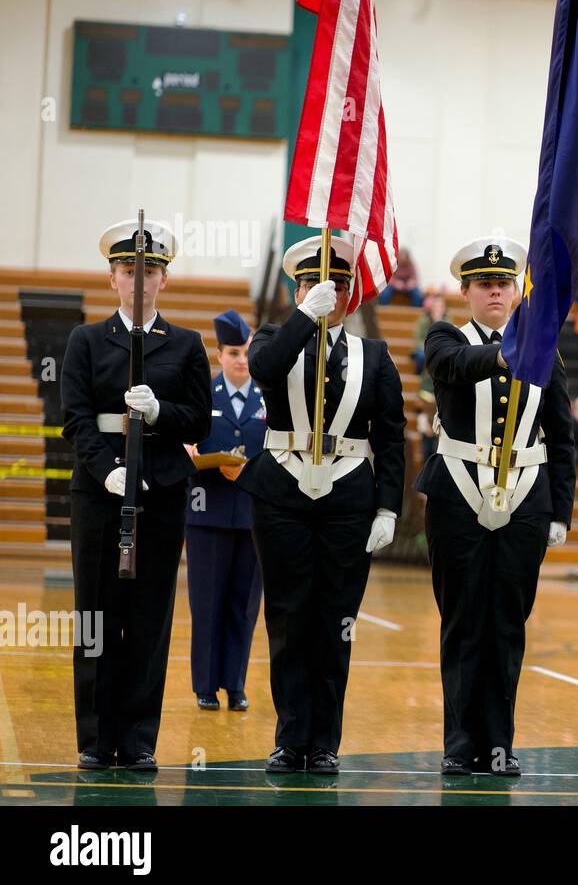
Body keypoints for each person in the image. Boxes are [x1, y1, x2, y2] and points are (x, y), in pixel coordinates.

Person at [238, 237, 407, 775]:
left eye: (333, 284)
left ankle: (325, 741)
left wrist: (387, 509)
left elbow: (392, 436)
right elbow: (264, 368)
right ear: (297, 289)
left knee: (337, 622)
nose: (323, 291)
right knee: (287, 619)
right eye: (311, 283)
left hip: (348, 498)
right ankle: (290, 739)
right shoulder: (272, 337)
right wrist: (300, 321)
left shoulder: (372, 355)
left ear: (349, 293)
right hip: (282, 496)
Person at [416, 236, 576, 777]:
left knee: (509, 624)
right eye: (484, 284)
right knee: (462, 622)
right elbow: (452, 367)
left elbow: (561, 435)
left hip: (525, 500)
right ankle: (460, 743)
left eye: (504, 284)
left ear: (516, 291)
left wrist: (562, 512)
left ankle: (499, 743)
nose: (494, 292)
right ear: (465, 291)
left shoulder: (544, 347)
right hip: (458, 495)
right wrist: (513, 349)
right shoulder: (444, 336)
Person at [60, 219, 211, 771]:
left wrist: (159, 413)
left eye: (151, 271)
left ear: (164, 279)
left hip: (163, 492)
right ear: (112, 278)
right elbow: (75, 420)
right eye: (129, 271)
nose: (140, 281)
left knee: (150, 616)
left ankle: (140, 738)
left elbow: (199, 420)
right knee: (96, 615)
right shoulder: (87, 340)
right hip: (100, 493)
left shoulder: (188, 345)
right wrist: (106, 473)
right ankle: (96, 739)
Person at [185, 310, 267, 712]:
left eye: (246, 352)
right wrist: (190, 452)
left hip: (252, 514)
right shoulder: (204, 395)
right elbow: (185, 441)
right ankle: (205, 685)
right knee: (207, 604)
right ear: (219, 355)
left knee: (244, 604)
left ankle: (235, 684)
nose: (241, 360)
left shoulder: (269, 398)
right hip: (207, 513)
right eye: (233, 352)